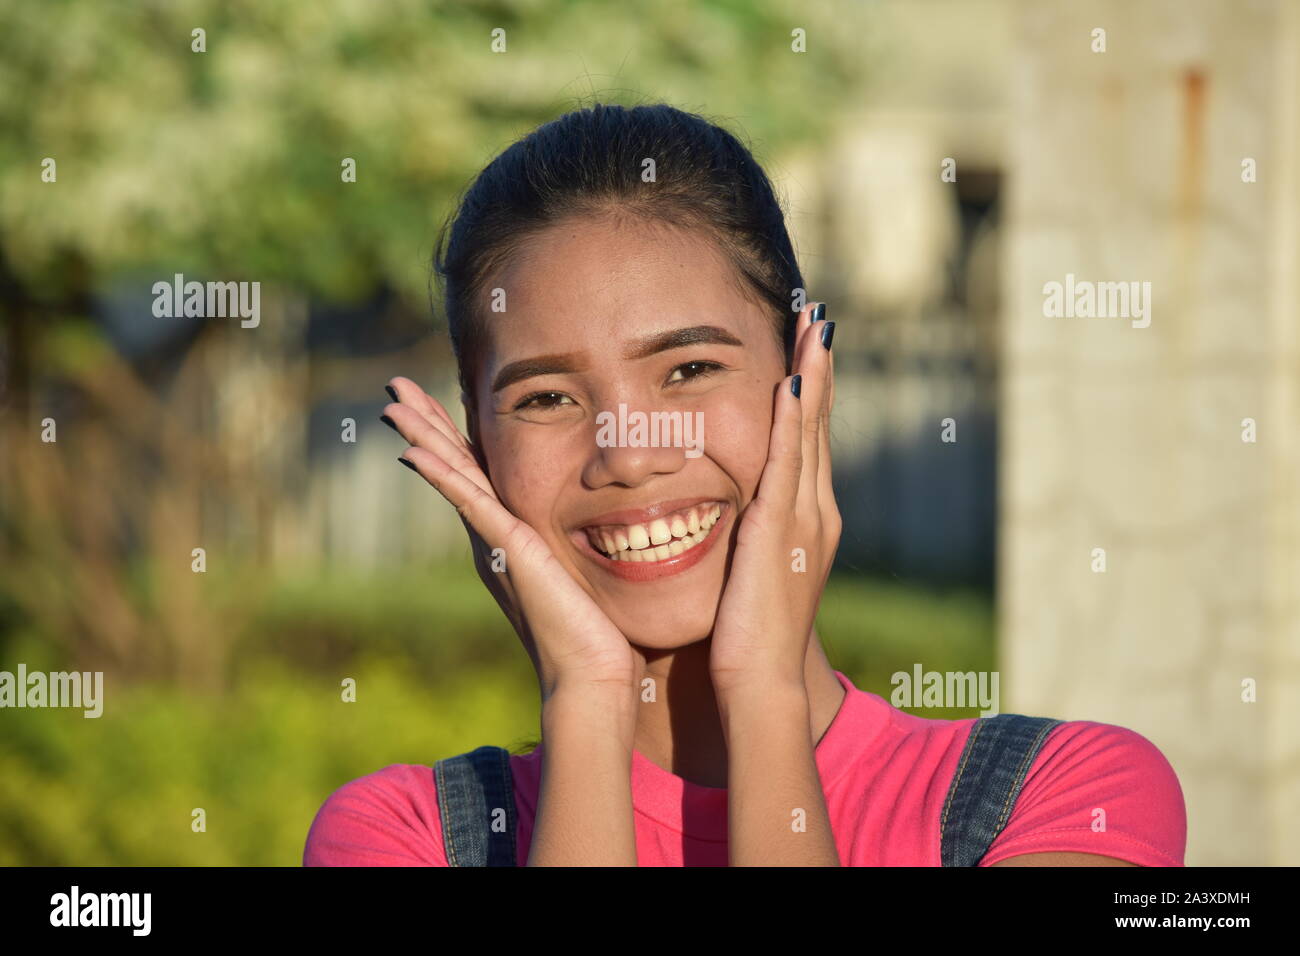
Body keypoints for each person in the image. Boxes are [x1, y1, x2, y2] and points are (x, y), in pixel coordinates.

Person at [303, 102, 1186, 866]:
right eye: (546, 396)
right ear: (475, 441)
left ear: (809, 373)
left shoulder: (1068, 798)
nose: (628, 450)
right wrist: (587, 702)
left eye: (688, 370)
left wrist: (765, 690)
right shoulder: (404, 836)